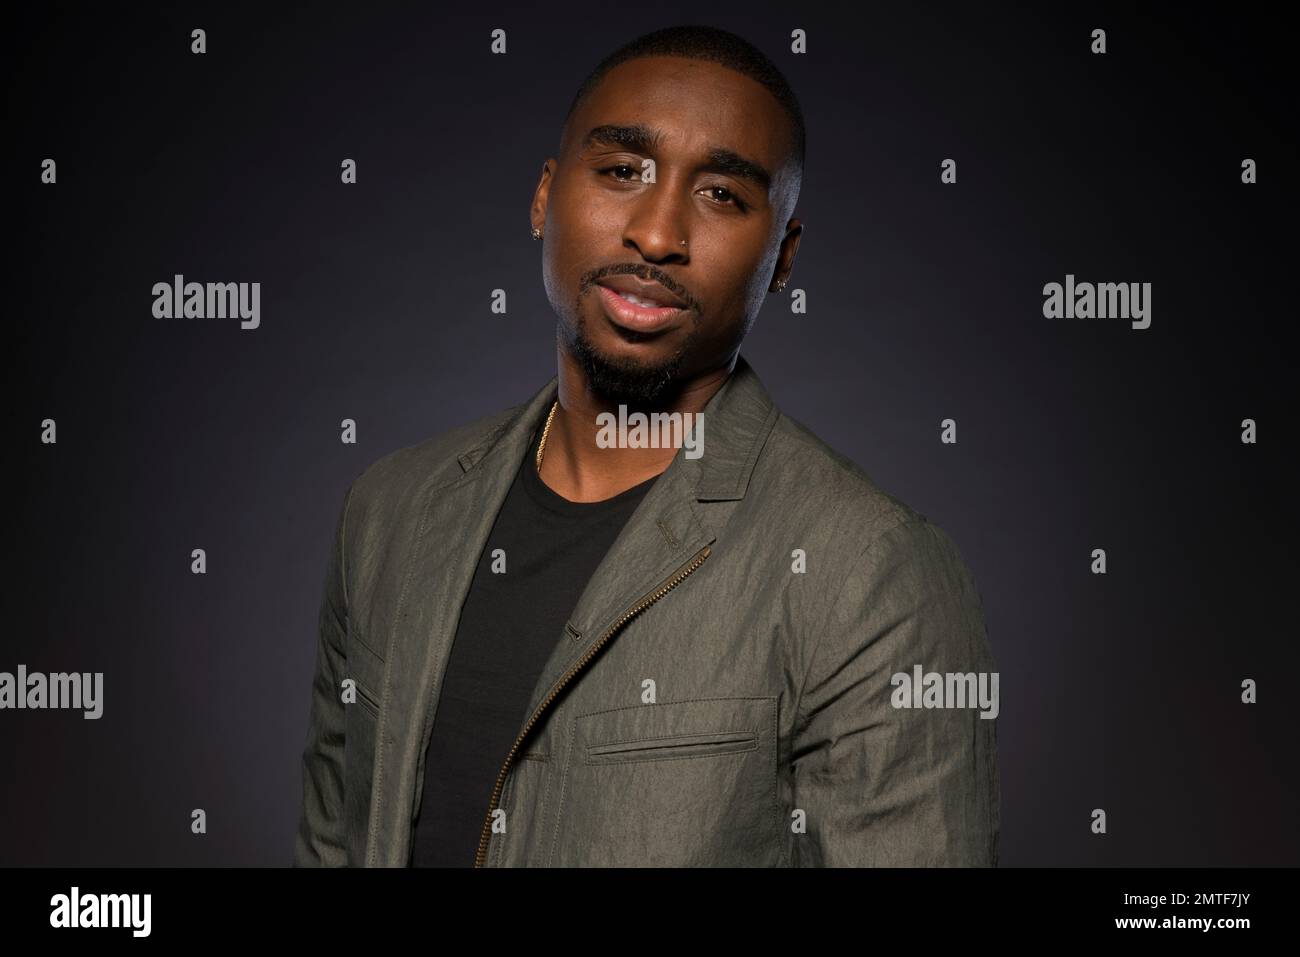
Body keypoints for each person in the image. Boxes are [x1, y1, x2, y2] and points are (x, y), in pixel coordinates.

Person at [294, 23, 999, 868]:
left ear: (783, 257)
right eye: (624, 170)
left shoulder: (871, 570)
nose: (658, 232)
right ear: (544, 196)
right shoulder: (390, 510)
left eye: (722, 196)